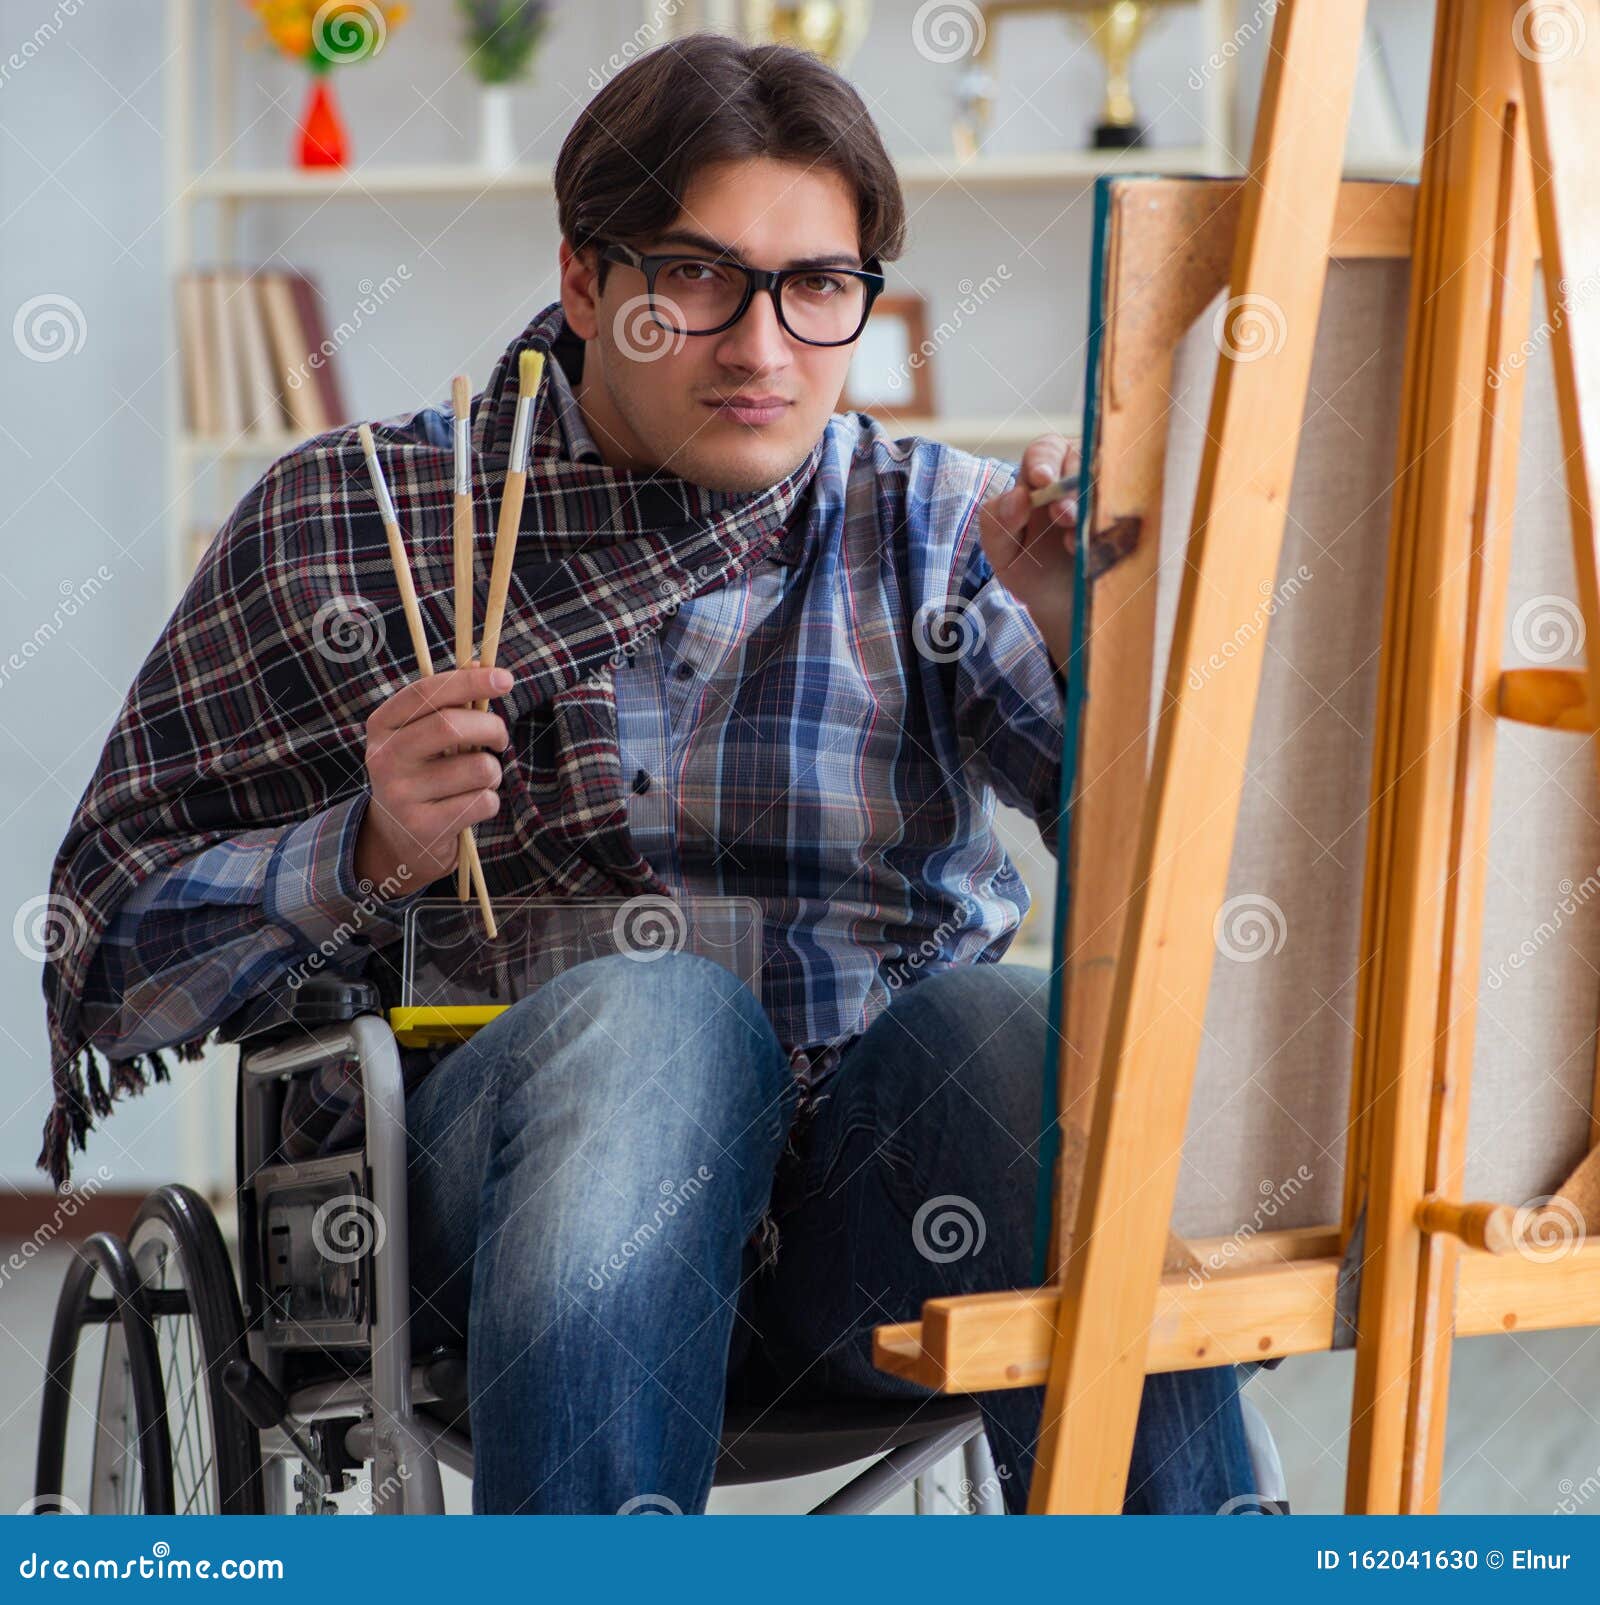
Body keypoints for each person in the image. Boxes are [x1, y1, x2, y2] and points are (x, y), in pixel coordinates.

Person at [66, 31, 1257, 1515]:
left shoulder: (945, 534)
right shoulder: (356, 523)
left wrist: (1091, 647)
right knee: (656, 1017)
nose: (761, 349)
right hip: (490, 1225)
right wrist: (360, 848)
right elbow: (106, 954)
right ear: (584, 282)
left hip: (872, 1235)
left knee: (1017, 1026)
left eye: (817, 287)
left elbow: (1203, 888)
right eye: (697, 279)